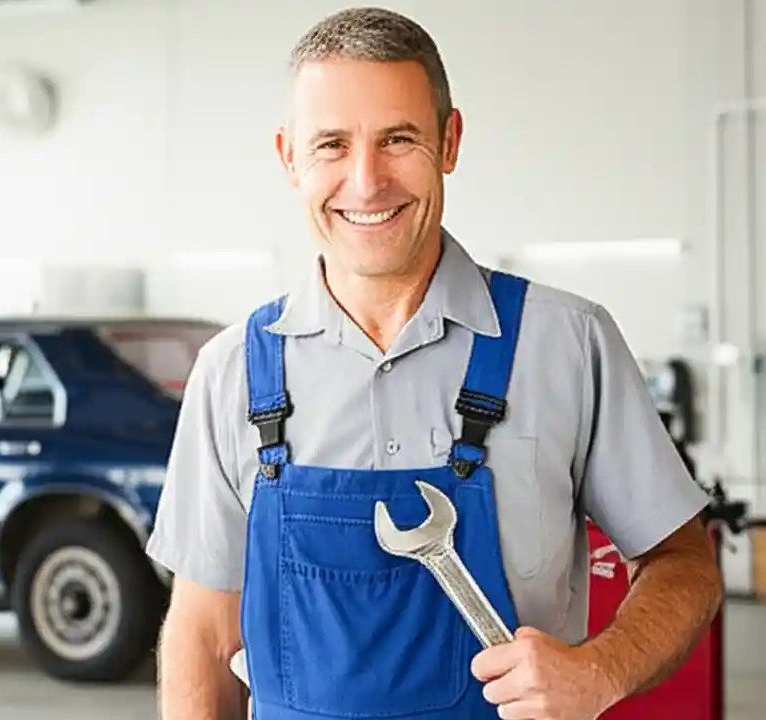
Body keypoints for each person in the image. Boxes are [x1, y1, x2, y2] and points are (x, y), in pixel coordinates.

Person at [145, 7, 724, 720]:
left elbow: (686, 565)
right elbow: (203, 636)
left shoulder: (569, 343)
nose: (366, 182)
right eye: (331, 144)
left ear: (449, 142)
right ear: (288, 157)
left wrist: (599, 671)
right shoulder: (230, 372)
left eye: (398, 138)